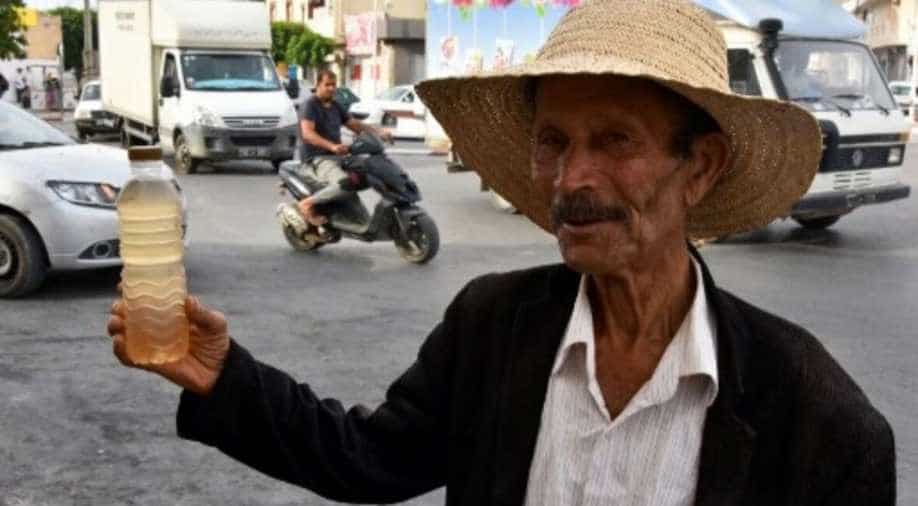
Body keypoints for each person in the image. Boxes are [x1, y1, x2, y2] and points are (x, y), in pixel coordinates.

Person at [107, 1, 895, 504]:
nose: (572, 179)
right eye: (554, 142)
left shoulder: (816, 418)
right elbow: (371, 457)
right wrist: (225, 377)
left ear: (702, 166)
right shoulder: (493, 324)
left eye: (615, 139)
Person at [280, 69, 392, 229]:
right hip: (317, 159)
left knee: (375, 170)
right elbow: (308, 134)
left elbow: (355, 125)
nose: (331, 88)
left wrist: (379, 132)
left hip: (340, 156)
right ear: (318, 85)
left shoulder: (335, 105)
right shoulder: (310, 105)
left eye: (334, 85)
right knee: (345, 183)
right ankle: (307, 204)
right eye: (327, 85)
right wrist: (331, 146)